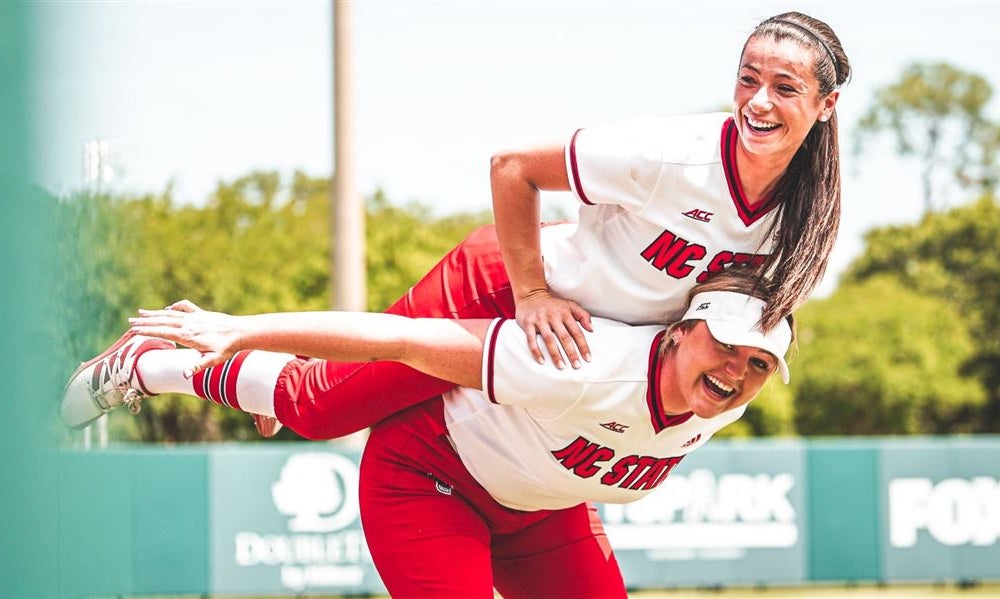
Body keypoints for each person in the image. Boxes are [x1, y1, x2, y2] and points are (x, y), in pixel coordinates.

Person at [60, 11, 848, 442]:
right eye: (748, 78)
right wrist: (531, 290)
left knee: (318, 399)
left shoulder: (806, 221)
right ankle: (152, 363)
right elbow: (511, 166)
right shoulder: (669, 152)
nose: (758, 101)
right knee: (321, 408)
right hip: (505, 286)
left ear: (824, 106)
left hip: (574, 342)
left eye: (785, 87)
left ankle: (278, 370)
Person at [80, 267, 793, 598]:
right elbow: (402, 341)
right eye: (725, 344)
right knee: (312, 401)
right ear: (678, 330)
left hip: (542, 512)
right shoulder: (583, 363)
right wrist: (244, 331)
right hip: (430, 480)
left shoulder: (725, 399)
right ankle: (154, 361)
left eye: (760, 362)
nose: (738, 369)